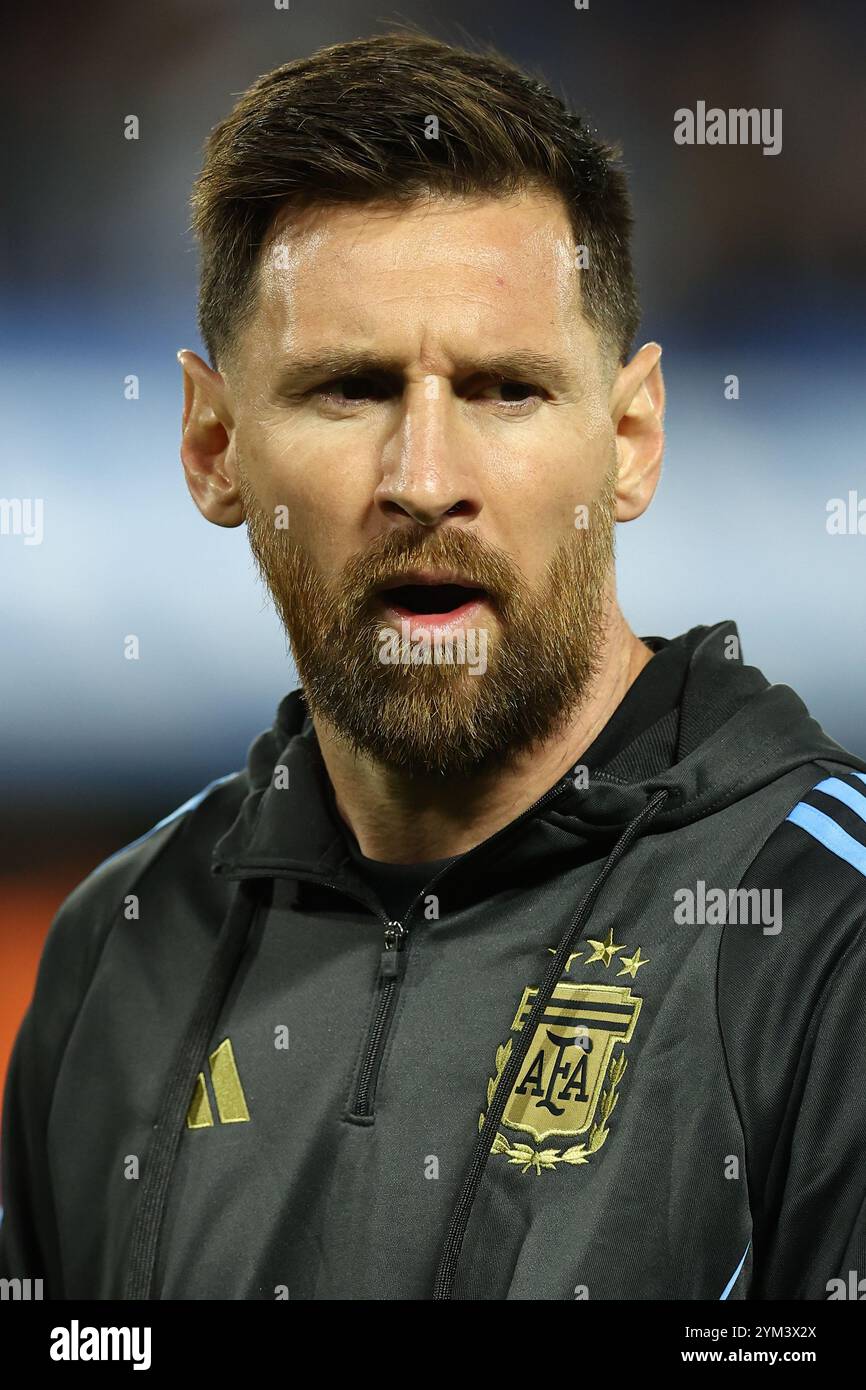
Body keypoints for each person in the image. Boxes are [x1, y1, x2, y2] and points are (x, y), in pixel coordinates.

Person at [2, 31, 864, 1302]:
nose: (423, 482)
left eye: (504, 390)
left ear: (628, 439)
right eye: (347, 390)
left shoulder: (824, 941)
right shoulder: (118, 952)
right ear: (212, 446)